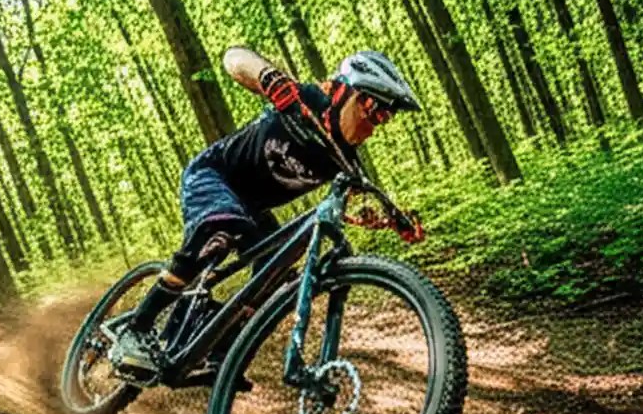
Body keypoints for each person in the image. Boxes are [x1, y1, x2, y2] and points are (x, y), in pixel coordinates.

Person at [110, 47, 422, 382]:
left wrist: (389, 219)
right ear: (347, 91)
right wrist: (271, 81)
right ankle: (136, 328)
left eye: (385, 118)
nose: (375, 124)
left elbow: (355, 205)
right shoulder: (304, 100)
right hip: (212, 177)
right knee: (220, 230)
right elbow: (234, 59)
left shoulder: (344, 161)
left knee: (278, 279)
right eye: (374, 109)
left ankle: (215, 353)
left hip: (251, 212)